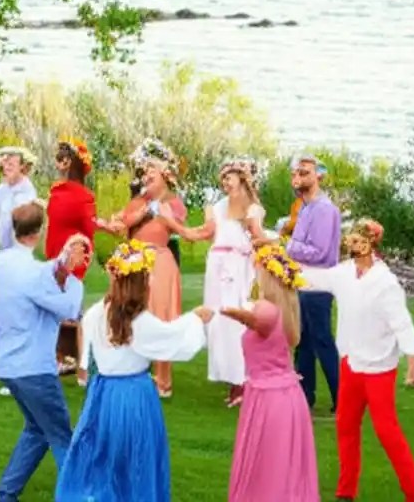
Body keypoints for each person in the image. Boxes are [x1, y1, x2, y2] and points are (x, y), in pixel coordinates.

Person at [55, 240, 214, 502]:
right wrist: (196, 318)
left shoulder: (97, 312)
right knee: (136, 459)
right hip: (133, 396)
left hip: (102, 393)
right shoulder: (139, 321)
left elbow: (88, 353)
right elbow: (172, 339)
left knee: (105, 456)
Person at [297, 219, 414, 502]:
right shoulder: (344, 273)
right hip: (351, 364)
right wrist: (280, 266)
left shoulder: (386, 283)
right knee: (345, 426)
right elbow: (313, 279)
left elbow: (401, 323)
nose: (350, 245)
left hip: (379, 368)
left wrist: (412, 361)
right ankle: (346, 491)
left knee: (387, 431)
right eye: (349, 240)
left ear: (371, 244)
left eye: (357, 240)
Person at [0, 202, 88, 502]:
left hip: (7, 365)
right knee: (61, 436)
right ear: (40, 231)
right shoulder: (32, 274)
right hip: (33, 367)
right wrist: (73, 273)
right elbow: (70, 309)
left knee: (36, 430)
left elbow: (42, 272)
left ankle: (5, 496)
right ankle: (76, 496)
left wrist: (62, 260)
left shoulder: (2, 260)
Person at [161, 157, 266, 407]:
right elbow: (199, 233)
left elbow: (259, 239)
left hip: (240, 268)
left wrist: (264, 262)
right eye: (223, 178)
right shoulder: (217, 207)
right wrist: (172, 224)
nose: (224, 182)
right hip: (217, 267)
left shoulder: (253, 209)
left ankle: (242, 381)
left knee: (238, 319)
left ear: (241, 178)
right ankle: (232, 378)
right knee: (219, 322)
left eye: (228, 177)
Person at [222, 244, 318, 502]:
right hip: (287, 396)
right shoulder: (288, 308)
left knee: (269, 467)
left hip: (270, 400)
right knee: (283, 468)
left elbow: (252, 319)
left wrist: (225, 310)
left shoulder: (265, 309)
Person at [98, 138, 187, 398]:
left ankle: (163, 380)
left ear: (165, 175)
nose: (146, 175)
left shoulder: (174, 202)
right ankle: (127, 365)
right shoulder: (138, 201)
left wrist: (155, 210)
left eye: (152, 171)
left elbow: (176, 224)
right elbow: (124, 224)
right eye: (144, 171)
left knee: (160, 316)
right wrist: (137, 214)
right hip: (131, 259)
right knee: (125, 311)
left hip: (159, 260)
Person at [280, 153, 342, 413]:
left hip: (318, 283)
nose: (298, 176)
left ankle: (343, 398)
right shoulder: (305, 208)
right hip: (302, 281)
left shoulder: (324, 209)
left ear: (319, 176)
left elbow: (319, 251)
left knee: (322, 340)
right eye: (296, 172)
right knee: (303, 339)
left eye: (305, 172)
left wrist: (288, 247)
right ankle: (305, 396)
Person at [45, 137, 98, 387]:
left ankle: (83, 369)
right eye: (58, 157)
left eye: (63, 157)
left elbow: (89, 230)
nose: (59, 162)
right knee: (52, 311)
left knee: (75, 316)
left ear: (72, 163)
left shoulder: (85, 197)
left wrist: (79, 259)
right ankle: (56, 359)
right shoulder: (55, 191)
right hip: (53, 256)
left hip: (72, 258)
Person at [0, 146, 38, 252]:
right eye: (4, 164)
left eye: (11, 164)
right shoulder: (2, 189)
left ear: (22, 166)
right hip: (2, 252)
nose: (6, 168)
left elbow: (25, 228)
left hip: (20, 254)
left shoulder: (28, 193)